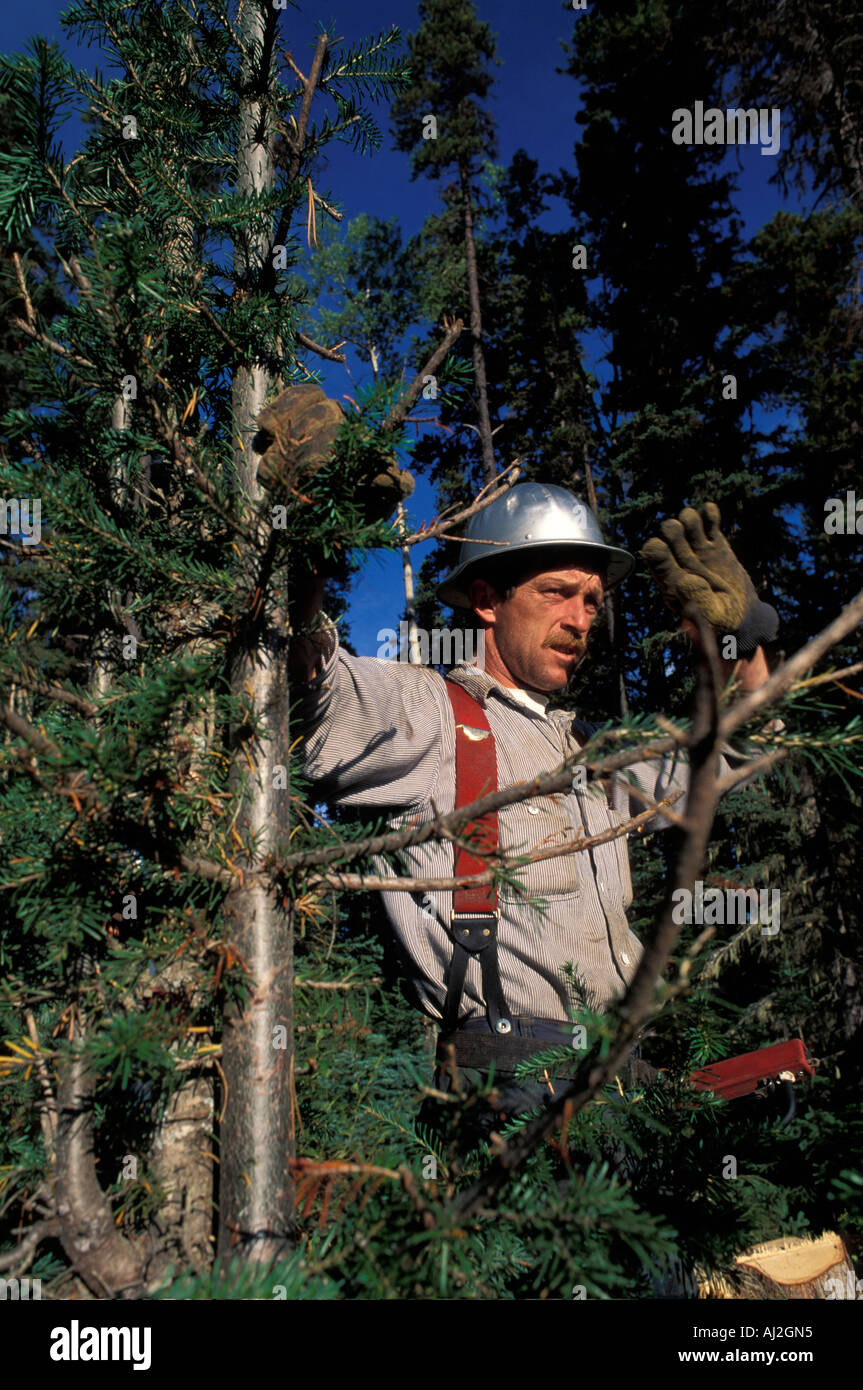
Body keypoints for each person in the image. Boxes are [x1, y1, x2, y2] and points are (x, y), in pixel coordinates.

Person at [290, 480, 778, 1140]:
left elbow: (739, 752)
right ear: (486, 600)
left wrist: (737, 640)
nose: (580, 619)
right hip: (510, 1087)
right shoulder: (427, 713)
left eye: (591, 601)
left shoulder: (596, 754)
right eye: (557, 593)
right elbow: (305, 688)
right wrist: (309, 529)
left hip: (622, 1084)